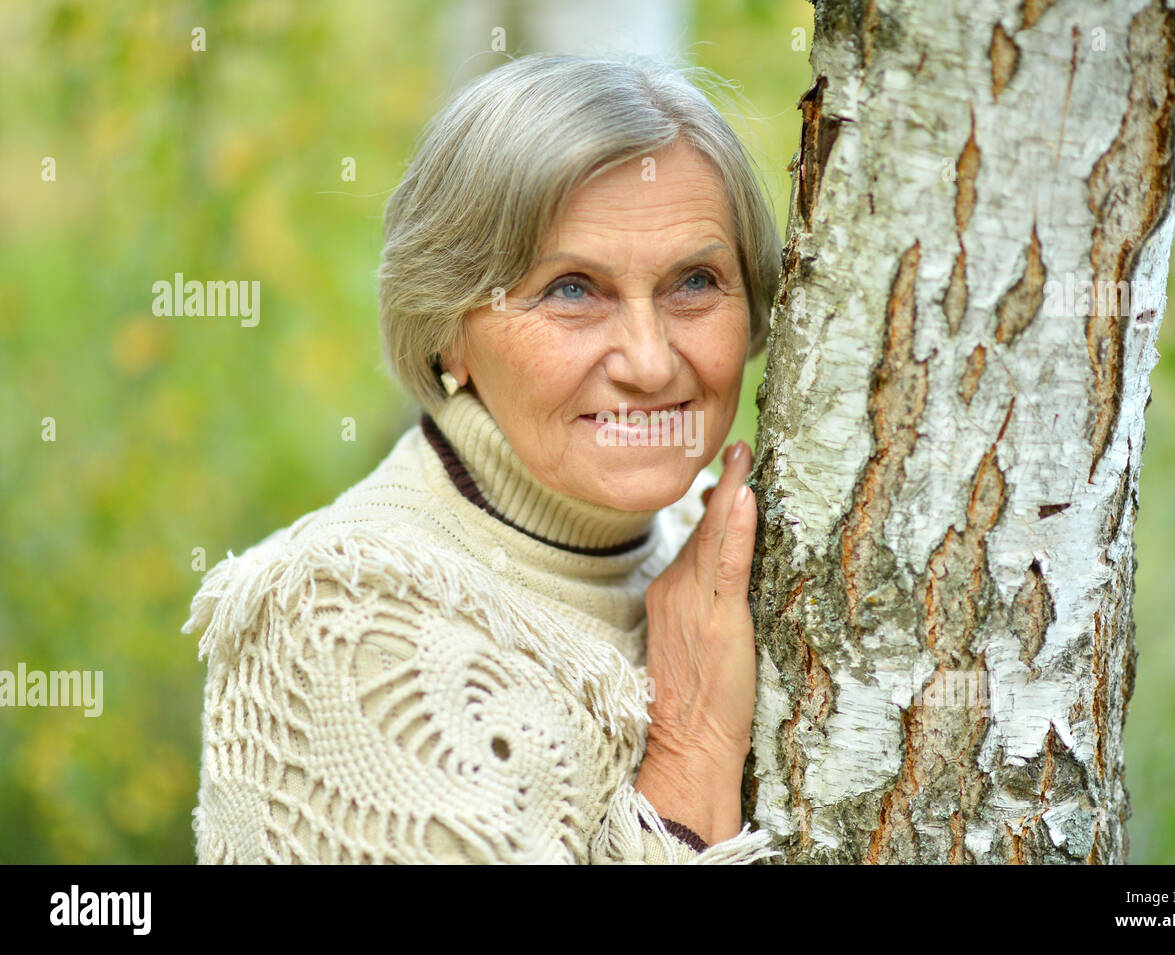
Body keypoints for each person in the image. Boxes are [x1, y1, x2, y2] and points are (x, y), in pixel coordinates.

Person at [182, 52, 782, 864]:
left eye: (695, 282)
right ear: (448, 331)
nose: (649, 361)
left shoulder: (715, 538)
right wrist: (693, 752)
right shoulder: (346, 615)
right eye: (572, 289)